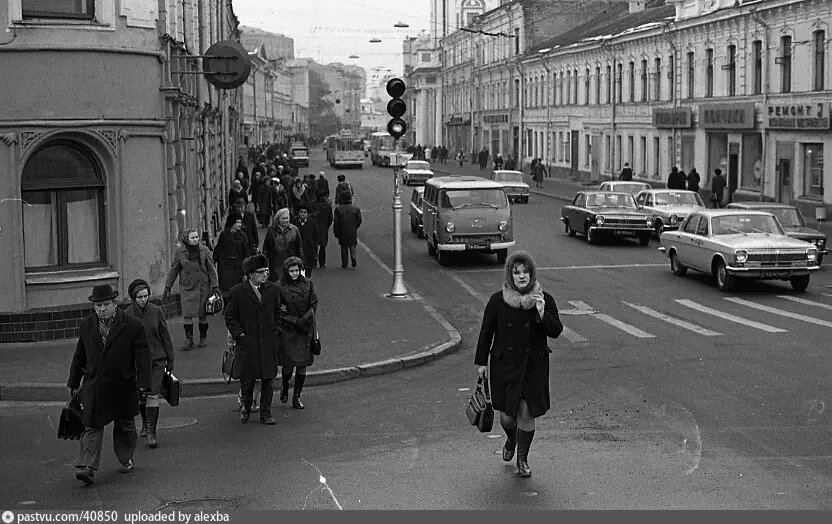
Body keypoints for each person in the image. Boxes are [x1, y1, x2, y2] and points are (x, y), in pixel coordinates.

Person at [474, 251, 564, 478]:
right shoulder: (497, 301)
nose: (522, 276)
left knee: (526, 410)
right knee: (507, 416)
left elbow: (556, 331)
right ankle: (512, 438)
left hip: (533, 366)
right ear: (510, 275)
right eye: (517, 272)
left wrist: (543, 314)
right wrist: (481, 363)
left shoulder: (544, 299)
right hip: (506, 366)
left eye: (525, 272)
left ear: (531, 274)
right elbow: (486, 332)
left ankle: (522, 459)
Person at [68, 284, 151, 485]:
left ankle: (125, 458)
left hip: (122, 383)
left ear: (114, 304)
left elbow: (143, 356)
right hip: (94, 383)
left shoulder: (131, 325)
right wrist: (73, 381)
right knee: (91, 424)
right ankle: (86, 466)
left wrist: (143, 384)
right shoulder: (87, 325)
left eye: (105, 305)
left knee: (124, 424)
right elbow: (80, 354)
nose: (101, 309)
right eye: (98, 305)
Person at [224, 254, 281, 425]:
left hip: (268, 342)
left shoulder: (272, 290)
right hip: (248, 343)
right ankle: (246, 407)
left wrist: (277, 330)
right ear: (250, 274)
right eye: (261, 272)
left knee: (268, 380)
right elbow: (230, 316)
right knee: (247, 381)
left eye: (266, 271)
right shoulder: (238, 292)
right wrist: (239, 334)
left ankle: (266, 413)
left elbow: (278, 312)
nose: (265, 274)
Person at [125, 279, 174, 449]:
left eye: (146, 296)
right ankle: (145, 423)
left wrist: (170, 357)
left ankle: (152, 432)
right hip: (137, 363)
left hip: (156, 359)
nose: (144, 299)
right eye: (140, 297)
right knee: (141, 394)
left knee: (153, 393)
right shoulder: (126, 315)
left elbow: (164, 335)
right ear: (133, 297)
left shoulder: (156, 311)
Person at [163, 229, 220, 350]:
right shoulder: (180, 252)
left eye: (196, 237)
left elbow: (211, 269)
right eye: (192, 237)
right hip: (187, 288)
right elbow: (174, 270)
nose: (195, 240)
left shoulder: (204, 250)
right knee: (187, 315)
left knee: (202, 314)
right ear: (186, 239)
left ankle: (203, 337)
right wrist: (168, 287)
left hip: (202, 287)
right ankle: (189, 338)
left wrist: (215, 286)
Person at [276, 256, 318, 410]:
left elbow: (313, 304)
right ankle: (285, 386)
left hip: (304, 329)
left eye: (297, 270)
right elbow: (278, 311)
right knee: (288, 365)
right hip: (288, 330)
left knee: (302, 365)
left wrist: (305, 318)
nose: (294, 273)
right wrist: (295, 321)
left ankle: (297, 395)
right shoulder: (279, 286)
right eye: (291, 271)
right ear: (286, 271)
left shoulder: (308, 284)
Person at [213, 213, 251, 301]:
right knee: (226, 289)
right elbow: (218, 249)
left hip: (238, 266)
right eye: (237, 222)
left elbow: (246, 253)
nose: (239, 224)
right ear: (232, 223)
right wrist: (213, 261)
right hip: (225, 266)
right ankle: (227, 307)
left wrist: (247, 268)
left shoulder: (243, 236)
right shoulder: (224, 235)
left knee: (237, 288)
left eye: (240, 222)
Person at [262, 208, 303, 282]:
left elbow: (299, 248)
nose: (285, 220)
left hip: (290, 261)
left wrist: (301, 263)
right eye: (283, 218)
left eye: (287, 218)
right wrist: (264, 264)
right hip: (275, 263)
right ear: (278, 219)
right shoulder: (271, 230)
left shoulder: (294, 230)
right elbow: (266, 248)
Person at [334, 192, 362, 268]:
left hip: (342, 230)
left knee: (343, 247)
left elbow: (336, 222)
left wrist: (336, 231)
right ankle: (353, 257)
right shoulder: (356, 209)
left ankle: (344, 263)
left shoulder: (338, 209)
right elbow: (359, 220)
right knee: (353, 244)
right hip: (352, 230)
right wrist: (355, 226)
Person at [292, 202, 320, 276]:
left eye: (305, 212)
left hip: (309, 251)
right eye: (301, 212)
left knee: (308, 273)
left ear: (307, 213)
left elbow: (316, 237)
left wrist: (315, 253)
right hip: (296, 251)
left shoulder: (312, 223)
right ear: (298, 213)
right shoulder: (293, 223)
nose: (303, 214)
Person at [310, 192, 334, 269]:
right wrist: (327, 225)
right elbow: (330, 218)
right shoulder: (327, 206)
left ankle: (313, 261)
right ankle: (322, 263)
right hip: (323, 227)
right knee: (323, 246)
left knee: (314, 245)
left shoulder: (312, 204)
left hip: (313, 227)